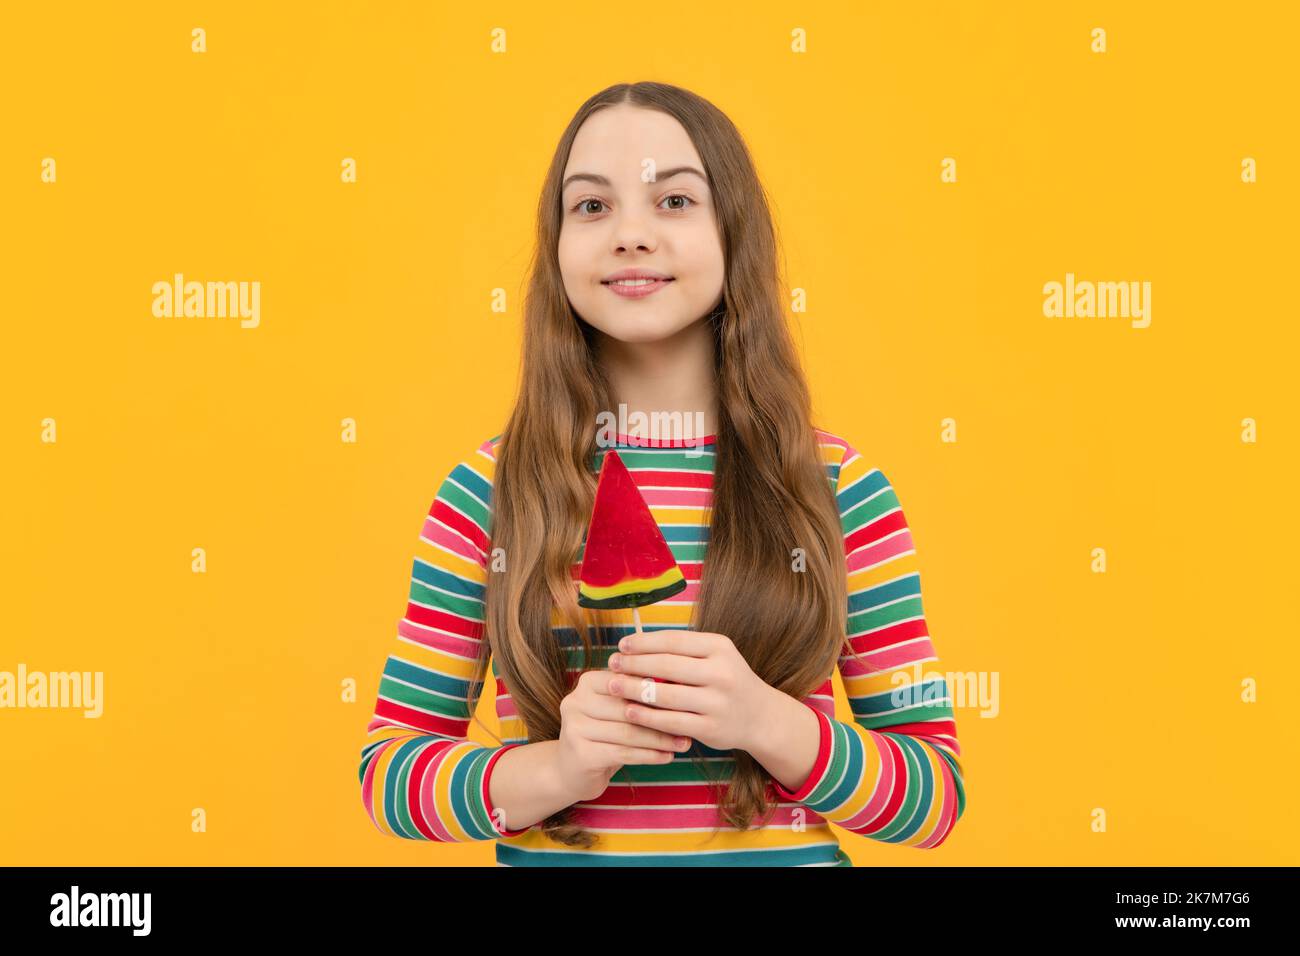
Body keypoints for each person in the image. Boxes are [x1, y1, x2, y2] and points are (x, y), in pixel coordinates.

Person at [358, 81, 966, 866]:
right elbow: (389, 774)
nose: (631, 235)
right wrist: (558, 768)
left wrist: (765, 721)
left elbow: (934, 801)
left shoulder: (838, 488)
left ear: (733, 232)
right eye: (592, 206)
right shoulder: (488, 493)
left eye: (674, 201)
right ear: (557, 247)